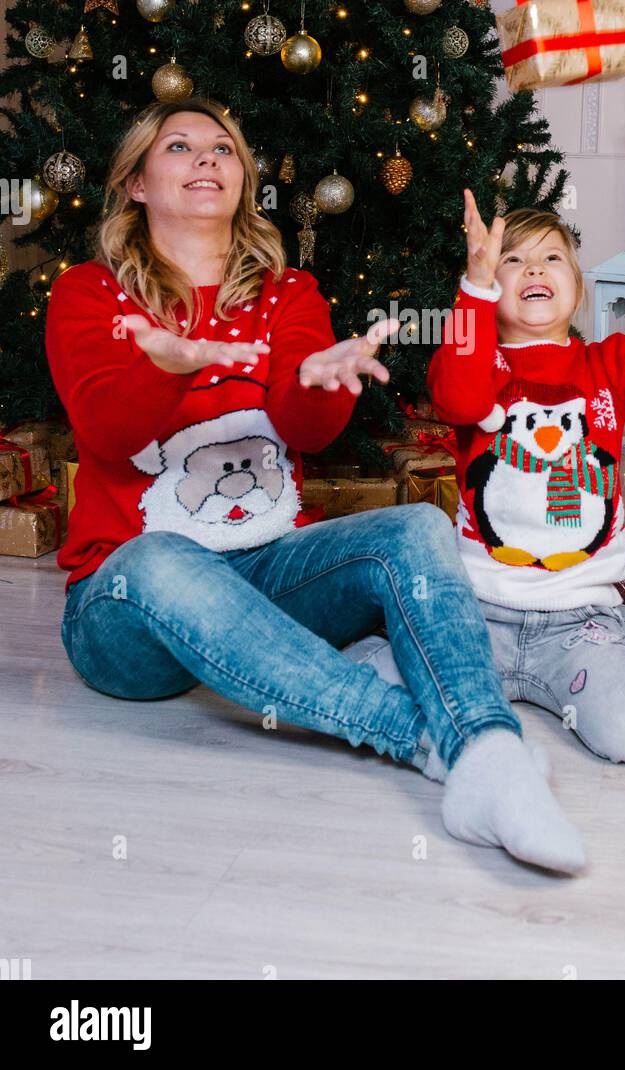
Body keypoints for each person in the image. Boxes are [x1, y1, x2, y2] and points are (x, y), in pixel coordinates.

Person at [44, 98, 588, 875]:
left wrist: (323, 383)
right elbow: (107, 432)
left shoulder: (287, 291)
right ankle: (434, 742)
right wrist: (165, 368)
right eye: (180, 147)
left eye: (223, 149)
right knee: (161, 554)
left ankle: (486, 751)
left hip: (263, 574)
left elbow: (305, 431)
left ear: (242, 178)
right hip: (127, 607)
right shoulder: (89, 294)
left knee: (414, 529)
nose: (207, 160)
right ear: (135, 182)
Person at [347, 178, 625, 783]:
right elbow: (457, 393)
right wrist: (473, 287)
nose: (534, 266)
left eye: (551, 257)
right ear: (490, 286)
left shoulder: (610, 363)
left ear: (577, 288)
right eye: (513, 259)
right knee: (358, 685)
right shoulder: (477, 359)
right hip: (473, 614)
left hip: (579, 623)